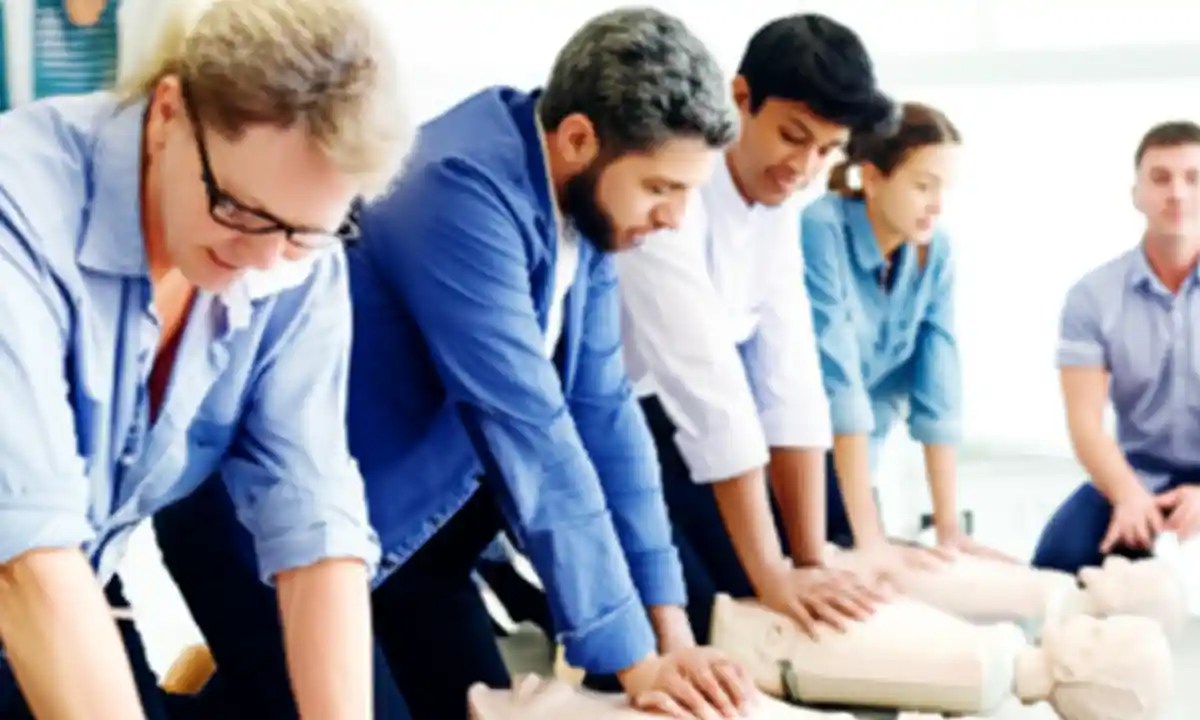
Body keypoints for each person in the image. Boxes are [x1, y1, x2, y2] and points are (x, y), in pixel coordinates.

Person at [156, 7, 757, 719]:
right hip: (262, 526)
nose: (676, 217)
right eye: (662, 188)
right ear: (578, 138)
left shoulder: (586, 212)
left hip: (409, 542)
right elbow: (531, 431)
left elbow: (607, 418)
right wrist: (638, 664)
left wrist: (673, 635)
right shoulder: (456, 189)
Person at [0, 0, 413, 717]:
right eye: (240, 210)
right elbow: (26, 557)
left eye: (301, 232)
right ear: (168, 113)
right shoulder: (20, 206)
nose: (260, 258)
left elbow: (315, 521)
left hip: (73, 581)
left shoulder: (297, 259)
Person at [613, 13, 899, 645]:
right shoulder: (675, 187)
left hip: (690, 415)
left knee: (811, 573)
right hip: (621, 417)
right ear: (739, 99)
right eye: (793, 136)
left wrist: (811, 560)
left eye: (827, 150)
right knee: (710, 605)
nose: (805, 167)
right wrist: (772, 571)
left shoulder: (777, 212)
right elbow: (707, 382)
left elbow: (790, 381)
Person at [1033, 120, 1200, 625]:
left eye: (1192, 177)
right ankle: (1136, 559)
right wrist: (1125, 494)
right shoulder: (1091, 297)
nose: (1177, 192)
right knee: (1055, 571)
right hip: (1137, 471)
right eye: (1161, 178)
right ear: (1136, 194)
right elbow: (1085, 421)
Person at [799, 102, 1013, 574]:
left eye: (944, 189)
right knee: (852, 571)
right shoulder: (823, 228)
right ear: (872, 178)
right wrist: (868, 537)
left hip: (858, 466)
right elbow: (841, 384)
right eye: (923, 186)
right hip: (800, 457)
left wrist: (950, 531)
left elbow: (939, 390)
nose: (937, 205)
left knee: (928, 572)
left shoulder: (935, 251)